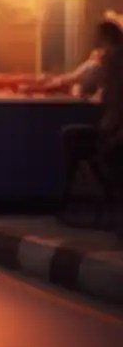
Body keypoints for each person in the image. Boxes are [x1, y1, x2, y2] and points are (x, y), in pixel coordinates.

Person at [62, 20, 123, 218]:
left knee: (72, 138)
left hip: (112, 130)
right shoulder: (111, 59)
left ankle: (105, 203)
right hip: (111, 128)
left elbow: (111, 98)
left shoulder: (112, 59)